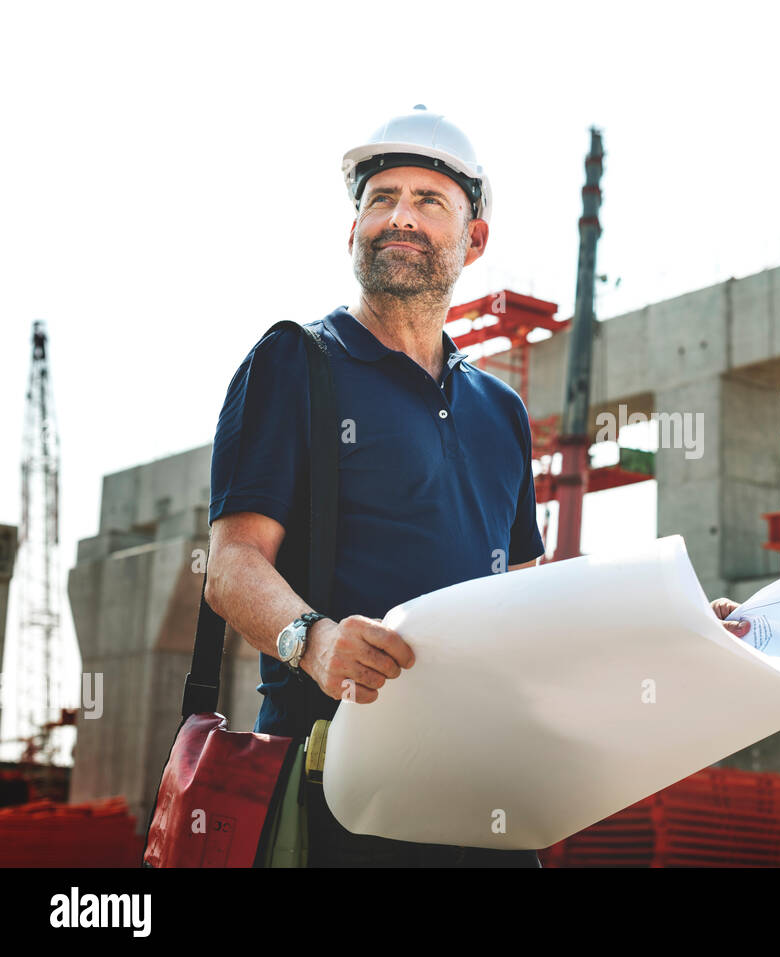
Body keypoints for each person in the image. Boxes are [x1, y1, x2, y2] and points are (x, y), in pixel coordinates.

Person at [203, 105, 750, 868]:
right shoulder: (295, 364)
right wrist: (314, 638)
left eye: (429, 202)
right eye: (381, 199)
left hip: (483, 795)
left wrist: (677, 626)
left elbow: (532, 613)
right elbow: (230, 567)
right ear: (353, 228)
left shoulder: (501, 412)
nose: (400, 218)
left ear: (474, 239)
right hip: (341, 794)